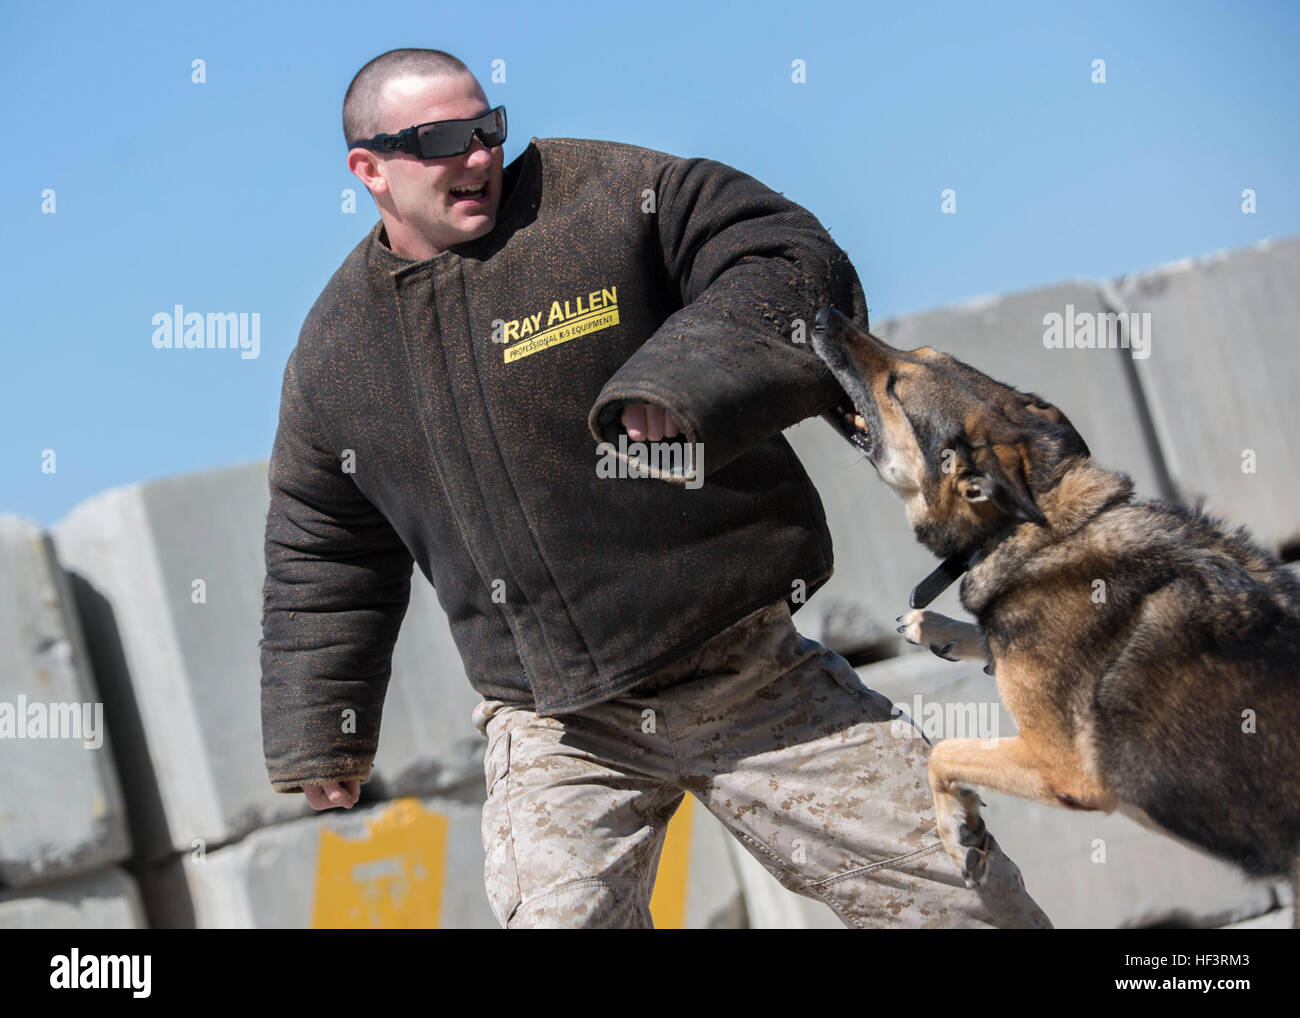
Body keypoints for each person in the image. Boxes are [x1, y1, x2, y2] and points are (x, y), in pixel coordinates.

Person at [260, 46, 1052, 929]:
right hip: (557, 726)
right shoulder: (338, 353)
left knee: (965, 907)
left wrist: (686, 379)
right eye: (444, 140)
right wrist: (320, 728)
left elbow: (788, 256)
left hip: (747, 672)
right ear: (369, 169)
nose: (479, 154)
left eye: (489, 128)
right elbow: (322, 548)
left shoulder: (608, 196)